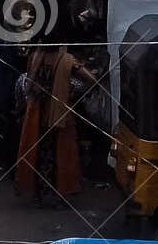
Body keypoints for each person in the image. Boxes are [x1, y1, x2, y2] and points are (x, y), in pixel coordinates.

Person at [16, 45, 99, 204]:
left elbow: (28, 86)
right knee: (62, 153)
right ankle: (60, 196)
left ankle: (38, 195)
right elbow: (91, 80)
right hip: (60, 114)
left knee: (37, 152)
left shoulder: (35, 56)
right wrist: (72, 92)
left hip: (37, 113)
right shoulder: (68, 60)